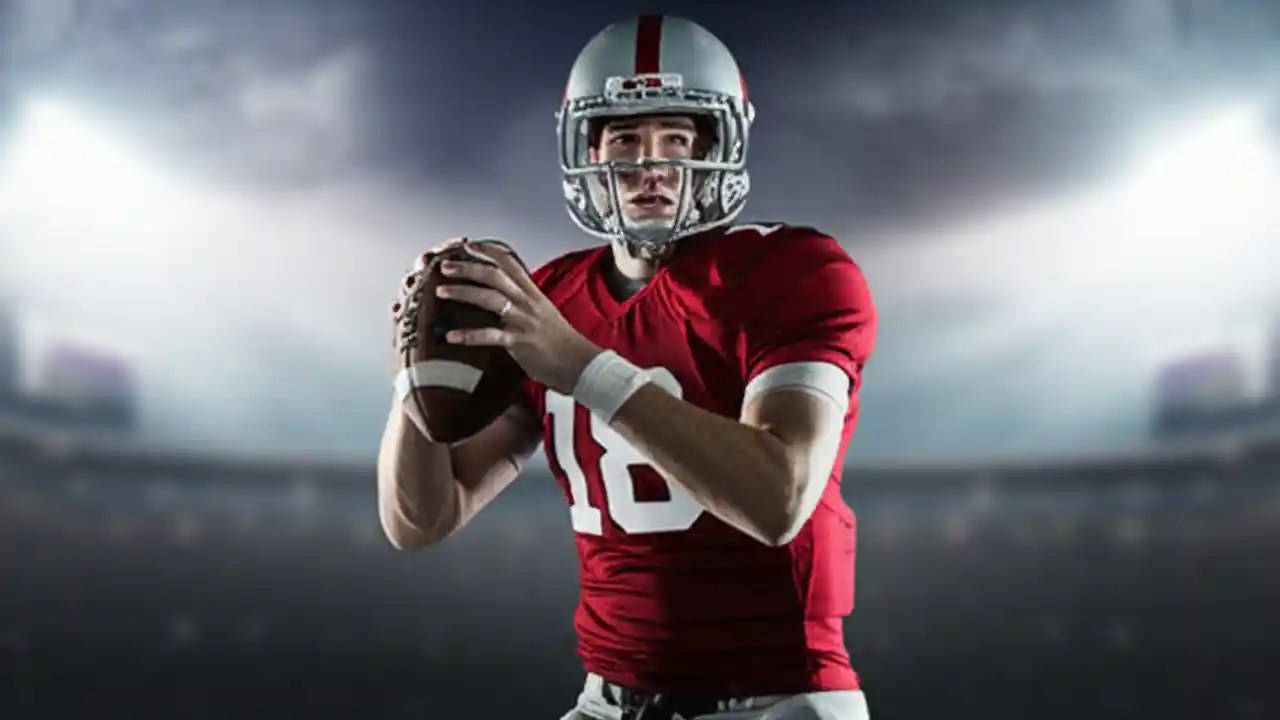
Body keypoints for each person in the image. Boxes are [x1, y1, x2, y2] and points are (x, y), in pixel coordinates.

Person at [378, 14, 877, 720]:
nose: (650, 166)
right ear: (584, 149)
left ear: (721, 144)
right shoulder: (550, 296)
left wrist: (584, 368)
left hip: (776, 699)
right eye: (625, 139)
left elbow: (779, 500)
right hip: (606, 700)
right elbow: (421, 517)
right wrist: (417, 370)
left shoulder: (791, 271)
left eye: (677, 139)